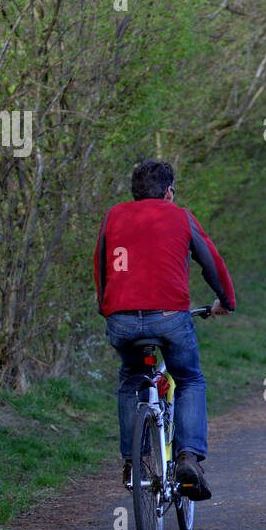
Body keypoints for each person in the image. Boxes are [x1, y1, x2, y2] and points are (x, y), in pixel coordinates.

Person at [93, 160, 236, 500]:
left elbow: (100, 266)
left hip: (122, 319)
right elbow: (211, 261)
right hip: (171, 317)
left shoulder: (114, 216)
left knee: (130, 381)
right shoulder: (180, 216)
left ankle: (134, 460)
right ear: (169, 191)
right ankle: (187, 457)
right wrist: (225, 300)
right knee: (188, 379)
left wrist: (107, 306)